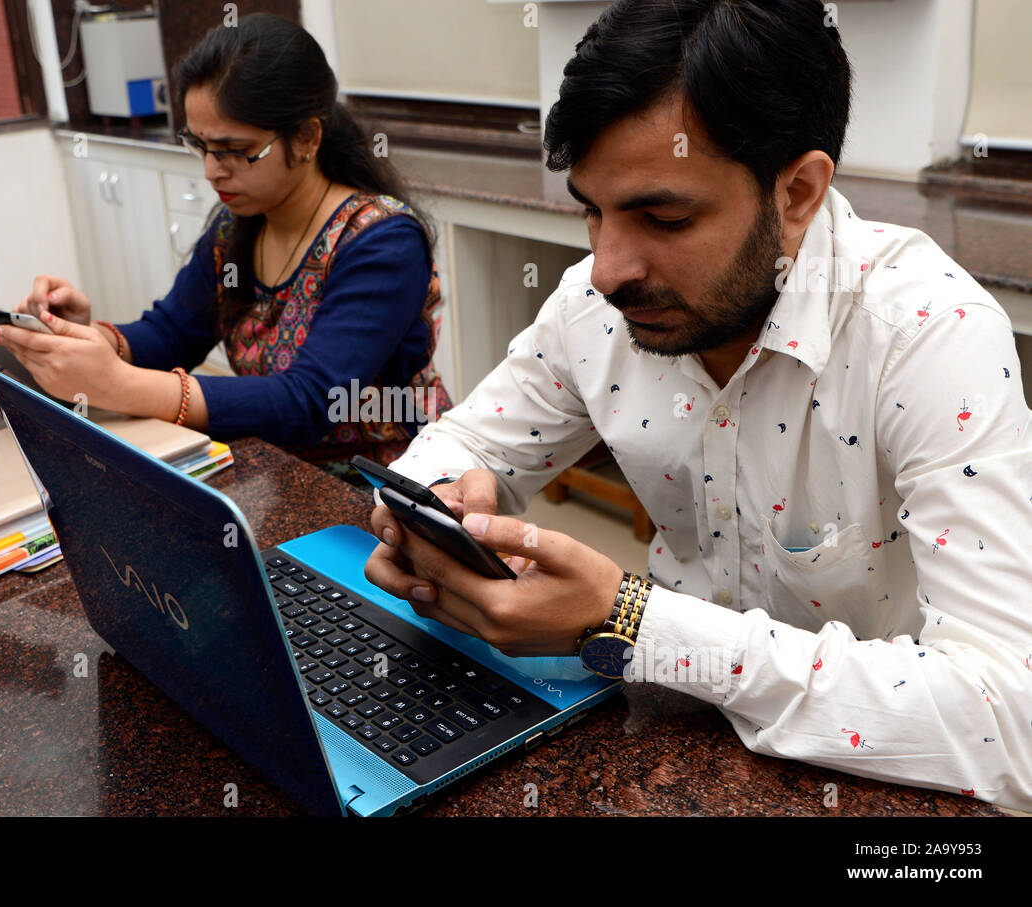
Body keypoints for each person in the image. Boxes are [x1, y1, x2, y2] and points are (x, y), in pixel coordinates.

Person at [364, 0, 1032, 812]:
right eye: (592, 209)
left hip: (883, 785)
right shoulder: (591, 307)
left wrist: (632, 622)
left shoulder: (927, 334)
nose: (606, 267)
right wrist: (433, 509)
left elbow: (1007, 718)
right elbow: (464, 440)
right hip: (670, 745)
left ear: (798, 191)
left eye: (664, 216)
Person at [0, 13, 451, 481]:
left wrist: (119, 384)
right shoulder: (238, 224)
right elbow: (174, 333)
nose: (213, 170)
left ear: (308, 138)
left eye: (236, 150)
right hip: (277, 466)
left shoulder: (382, 242)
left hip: (385, 483)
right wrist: (90, 339)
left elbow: (312, 401)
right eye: (201, 146)